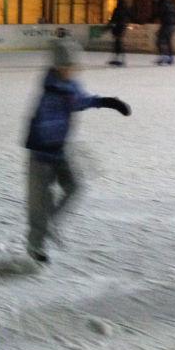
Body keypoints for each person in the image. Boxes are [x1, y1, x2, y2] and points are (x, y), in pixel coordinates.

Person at [24, 36, 131, 264]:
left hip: (60, 150)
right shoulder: (50, 92)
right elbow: (43, 124)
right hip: (41, 154)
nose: (77, 70)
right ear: (61, 67)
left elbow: (80, 100)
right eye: (73, 66)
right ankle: (36, 246)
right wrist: (52, 147)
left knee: (75, 186)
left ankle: (50, 223)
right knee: (39, 203)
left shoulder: (69, 85)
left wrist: (108, 102)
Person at [155, 0, 175, 66]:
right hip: (173, 24)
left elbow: (159, 14)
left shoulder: (163, 5)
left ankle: (164, 56)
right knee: (168, 41)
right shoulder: (171, 4)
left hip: (166, 24)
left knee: (159, 40)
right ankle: (170, 57)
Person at [107, 0, 130, 66]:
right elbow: (130, 17)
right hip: (122, 27)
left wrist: (108, 26)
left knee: (118, 43)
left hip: (118, 27)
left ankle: (119, 59)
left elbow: (113, 19)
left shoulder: (118, 9)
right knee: (118, 42)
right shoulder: (125, 9)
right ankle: (119, 59)